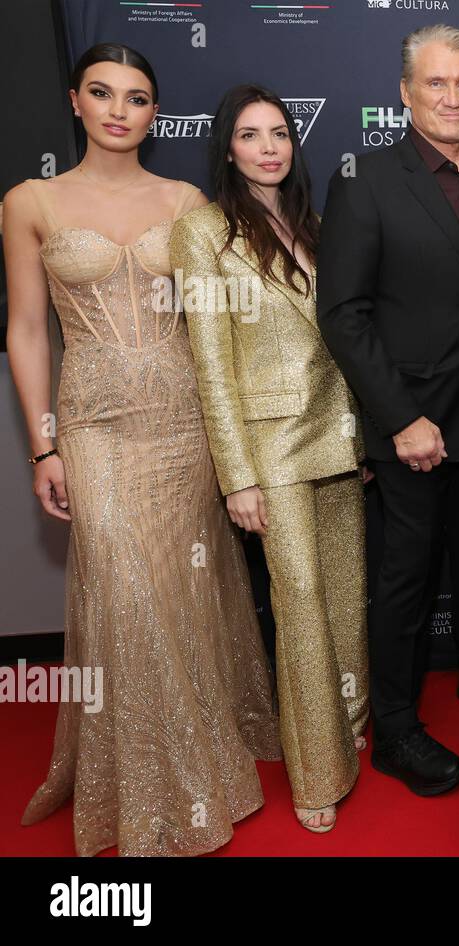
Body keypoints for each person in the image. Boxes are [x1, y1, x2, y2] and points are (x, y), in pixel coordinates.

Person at [3, 43, 280, 856]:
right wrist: (42, 447)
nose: (120, 109)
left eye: (138, 97)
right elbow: (25, 329)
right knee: (124, 595)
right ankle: (163, 786)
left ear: (155, 113)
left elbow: (213, 324)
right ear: (76, 102)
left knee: (179, 599)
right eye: (103, 93)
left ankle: (199, 757)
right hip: (91, 425)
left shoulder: (187, 198)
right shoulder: (31, 200)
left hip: (184, 422)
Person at [317, 25, 459, 795]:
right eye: (436, 84)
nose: (452, 97)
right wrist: (401, 418)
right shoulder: (366, 178)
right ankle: (397, 732)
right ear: (405, 93)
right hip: (411, 428)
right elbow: (344, 313)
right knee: (406, 583)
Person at [171, 84, 370, 833]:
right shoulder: (202, 231)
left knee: (348, 599)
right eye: (251, 135)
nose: (268, 146)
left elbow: (347, 335)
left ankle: (350, 724)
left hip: (340, 433)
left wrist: (367, 437)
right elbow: (210, 364)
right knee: (301, 606)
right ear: (228, 147)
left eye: (279, 133)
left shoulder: (319, 226)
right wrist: (237, 477)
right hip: (271, 446)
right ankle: (316, 772)